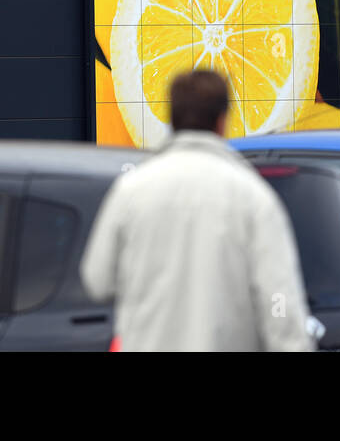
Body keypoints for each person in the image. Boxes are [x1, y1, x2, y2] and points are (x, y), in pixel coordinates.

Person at [79, 69, 314, 351]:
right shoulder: (254, 196)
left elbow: (97, 281)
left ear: (172, 119)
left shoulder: (130, 190)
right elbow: (280, 304)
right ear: (222, 121)